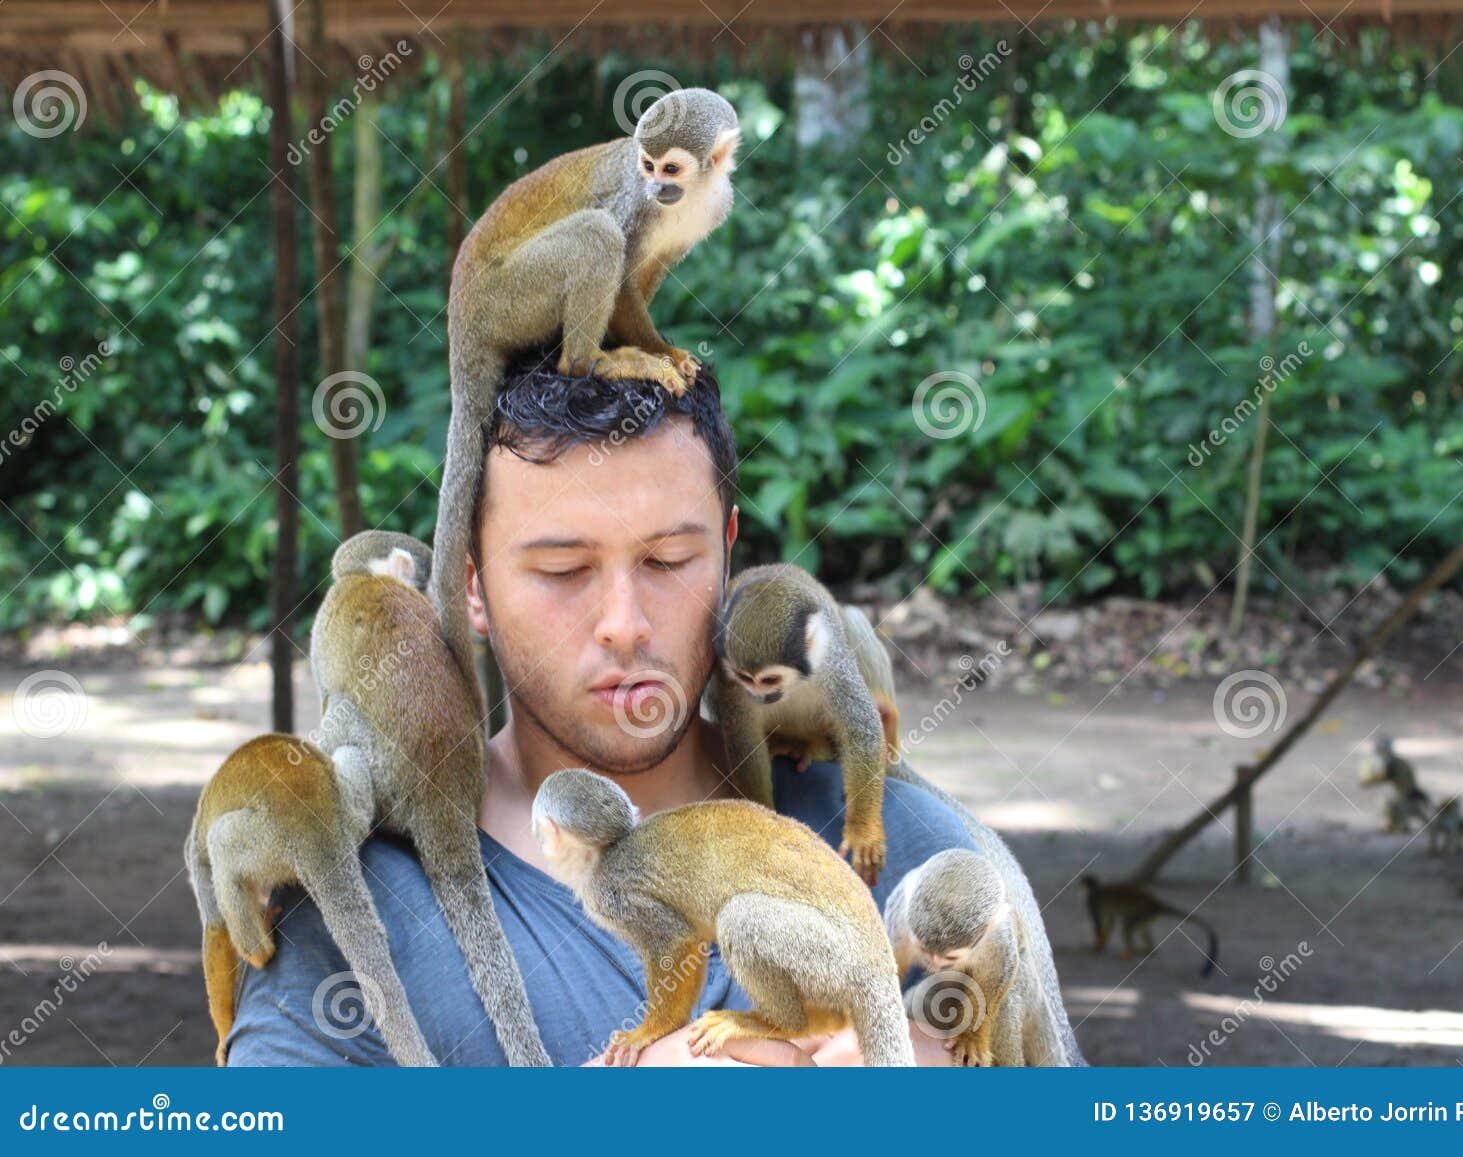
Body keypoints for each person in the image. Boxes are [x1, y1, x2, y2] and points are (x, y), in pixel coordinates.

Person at [225, 354, 1079, 1066]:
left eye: (670, 560)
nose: (624, 625)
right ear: (472, 590)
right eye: (562, 571)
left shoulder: (919, 852)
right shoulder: (354, 909)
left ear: (729, 554)